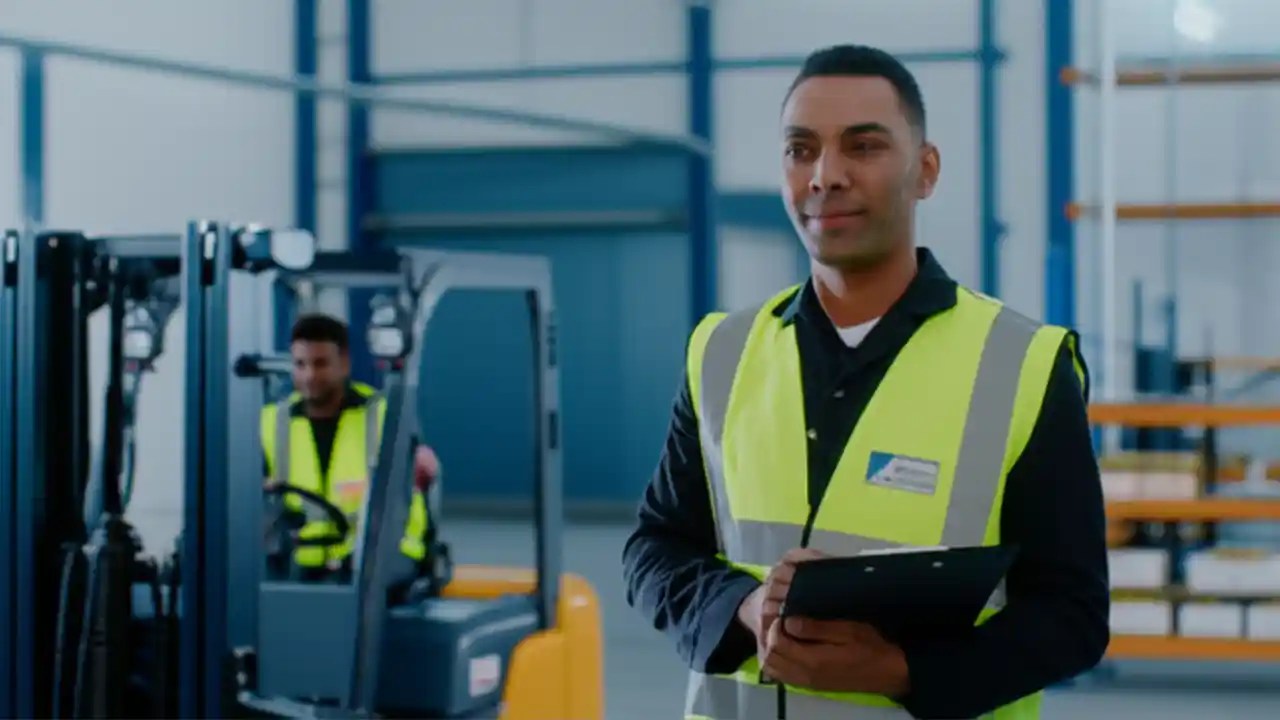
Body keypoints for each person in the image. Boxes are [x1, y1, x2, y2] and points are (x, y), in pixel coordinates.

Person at [622, 44, 1109, 719]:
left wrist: (903, 671)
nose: (826, 175)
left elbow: (1072, 614)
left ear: (925, 170)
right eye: (800, 149)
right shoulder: (722, 351)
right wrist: (744, 605)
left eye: (863, 146)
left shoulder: (1021, 364)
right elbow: (655, 549)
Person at [261, 313, 439, 579]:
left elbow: (409, 501)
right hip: (294, 566)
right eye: (300, 364)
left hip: (368, 568)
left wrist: (397, 560)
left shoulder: (383, 416)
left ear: (344, 363)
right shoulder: (270, 421)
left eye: (321, 364)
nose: (309, 375)